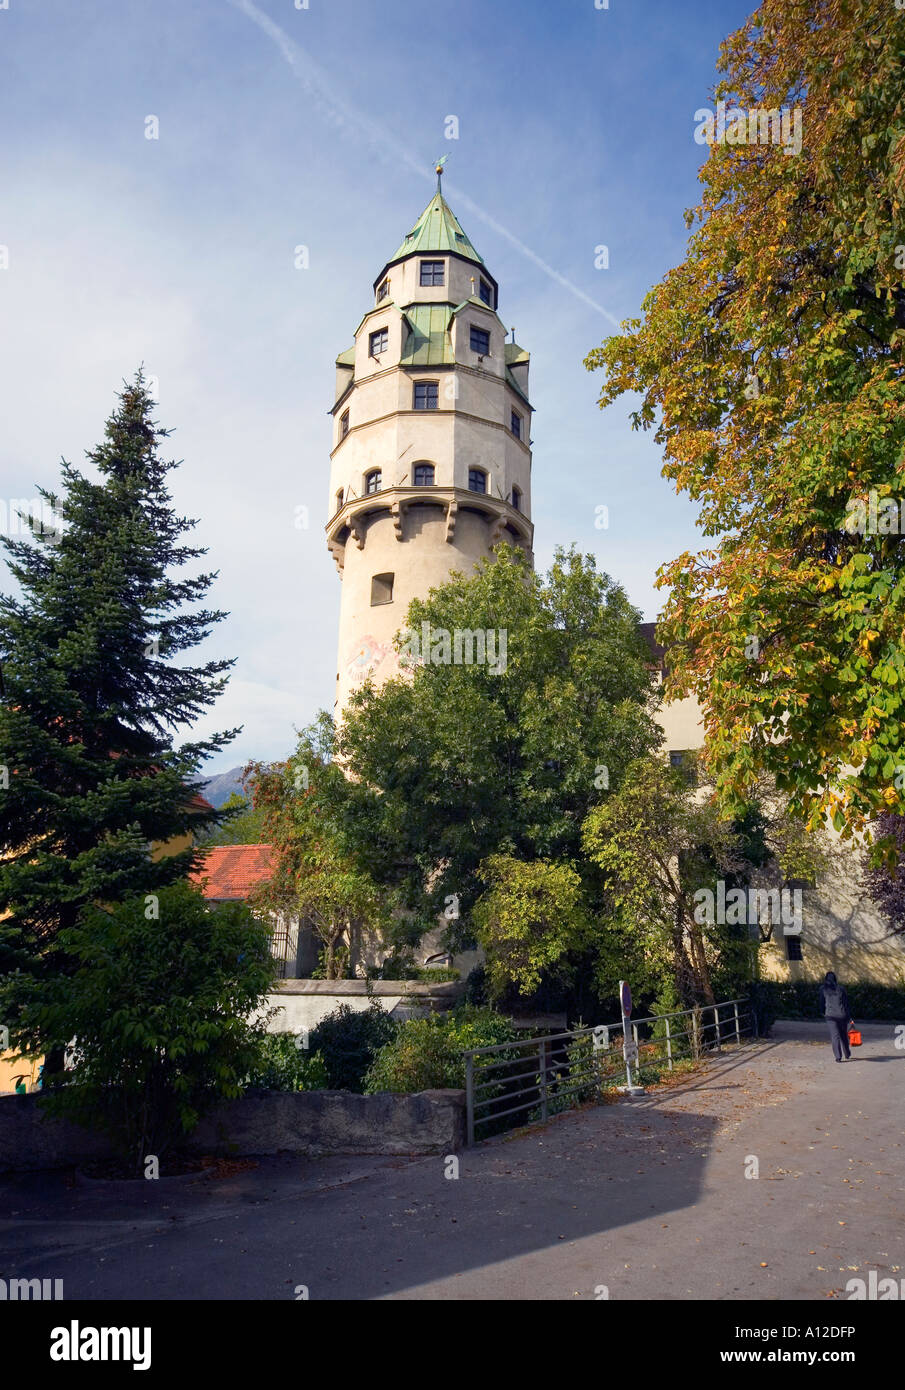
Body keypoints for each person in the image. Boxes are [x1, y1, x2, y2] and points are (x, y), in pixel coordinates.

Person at [819, 971, 854, 1061]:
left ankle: (838, 1057)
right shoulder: (841, 989)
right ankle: (847, 1053)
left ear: (826, 979)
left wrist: (823, 1012)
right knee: (843, 1035)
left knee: (835, 1036)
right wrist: (849, 1016)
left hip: (830, 1016)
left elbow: (821, 1003)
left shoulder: (823, 989)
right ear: (835, 979)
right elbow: (846, 1004)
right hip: (842, 1015)